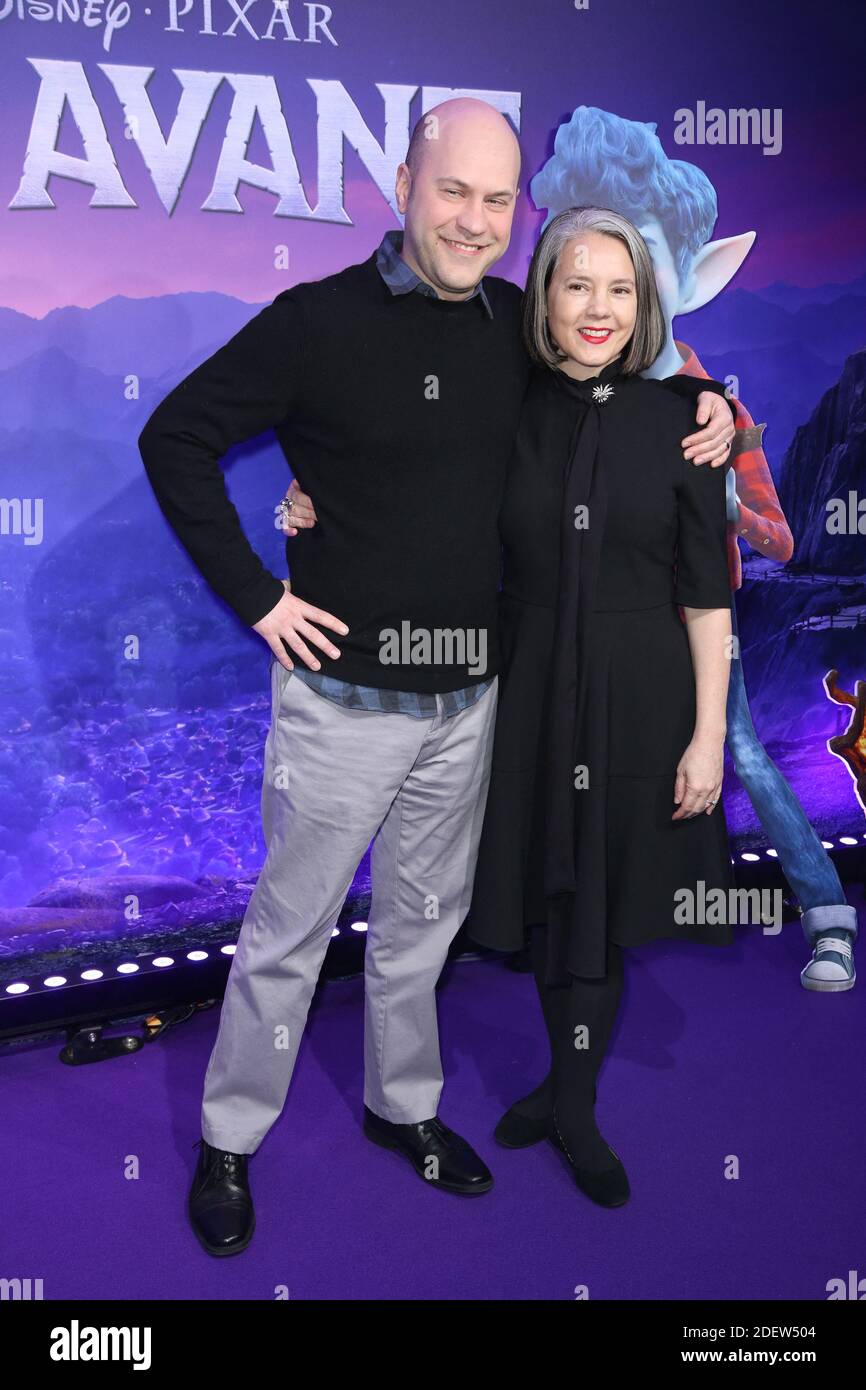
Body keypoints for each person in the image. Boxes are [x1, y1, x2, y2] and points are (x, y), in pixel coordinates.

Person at [139, 97, 735, 1257]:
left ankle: (401, 1109)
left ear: (519, 218)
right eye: (451, 190)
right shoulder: (315, 322)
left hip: (474, 705)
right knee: (291, 929)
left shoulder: (520, 323)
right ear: (403, 185)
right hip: (342, 703)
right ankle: (229, 1138)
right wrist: (262, 591)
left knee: (422, 929)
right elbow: (175, 436)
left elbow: (631, 382)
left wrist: (722, 415)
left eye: (497, 200)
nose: (472, 220)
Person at [529, 105, 858, 991]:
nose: (610, 296)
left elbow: (780, 538)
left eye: (634, 272)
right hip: (600, 629)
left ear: (689, 274)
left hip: (700, 628)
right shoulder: (568, 393)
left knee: (741, 753)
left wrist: (724, 502)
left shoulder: (715, 408)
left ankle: (827, 917)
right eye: (589, 274)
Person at [463, 207, 736, 1208]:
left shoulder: (684, 423)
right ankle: (558, 1079)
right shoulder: (508, 405)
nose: (598, 309)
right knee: (547, 890)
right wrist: (308, 497)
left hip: (639, 690)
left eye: (618, 291)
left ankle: (571, 1106)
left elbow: (707, 595)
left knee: (603, 905)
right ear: (542, 294)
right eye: (577, 285)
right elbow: (416, 477)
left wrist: (706, 735)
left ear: (642, 303)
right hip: (529, 681)